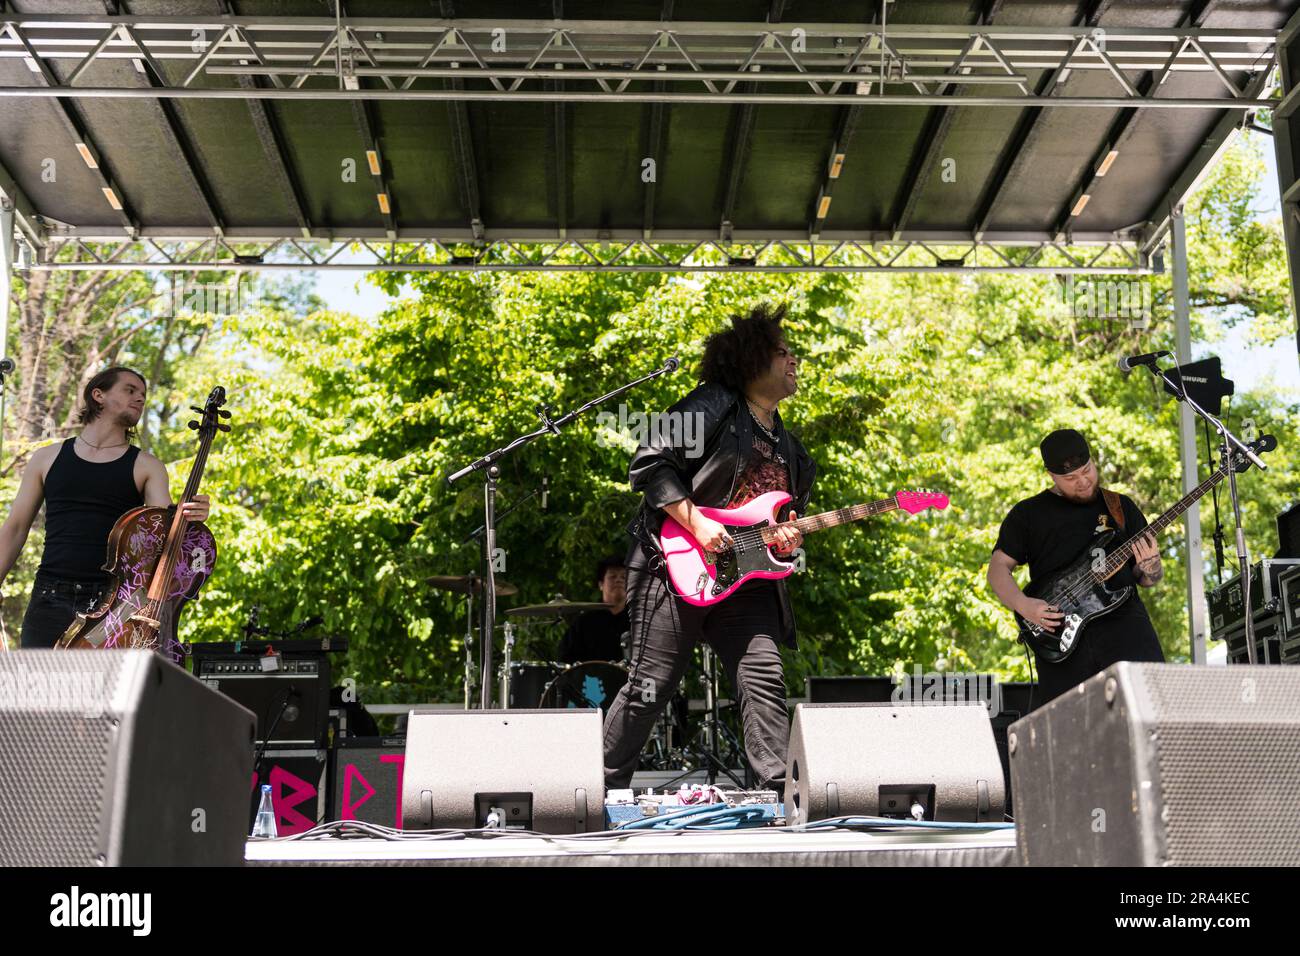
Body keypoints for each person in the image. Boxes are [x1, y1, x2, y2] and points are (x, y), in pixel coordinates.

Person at [603, 303, 816, 795]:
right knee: (648, 686)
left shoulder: (794, 450)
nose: (794, 361)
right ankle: (593, 789)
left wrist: (789, 536)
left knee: (763, 675)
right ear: (751, 359)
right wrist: (696, 523)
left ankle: (781, 793)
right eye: (783, 352)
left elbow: (783, 520)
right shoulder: (713, 404)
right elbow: (650, 460)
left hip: (746, 576)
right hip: (673, 565)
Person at [0, 366, 210, 649]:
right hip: (49, 596)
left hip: (113, 602)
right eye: (130, 390)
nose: (140, 399)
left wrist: (190, 517)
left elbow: (164, 535)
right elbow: (14, 529)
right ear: (98, 395)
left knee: (95, 692)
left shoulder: (147, 466)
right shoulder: (46, 458)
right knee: (38, 690)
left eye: (143, 395)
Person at [987, 428, 1165, 706]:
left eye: (1087, 470)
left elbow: (1148, 579)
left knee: (1150, 709)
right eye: (1070, 478)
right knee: (1071, 729)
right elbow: (998, 567)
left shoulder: (1120, 506)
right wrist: (1024, 605)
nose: (1082, 481)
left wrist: (1150, 565)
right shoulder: (1027, 514)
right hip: (1061, 637)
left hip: (1127, 631)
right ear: (1051, 476)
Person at [558, 555, 630, 664]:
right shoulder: (584, 623)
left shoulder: (637, 621)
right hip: (592, 680)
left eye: (624, 577)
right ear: (601, 584)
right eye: (612, 576)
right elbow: (566, 661)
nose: (619, 580)